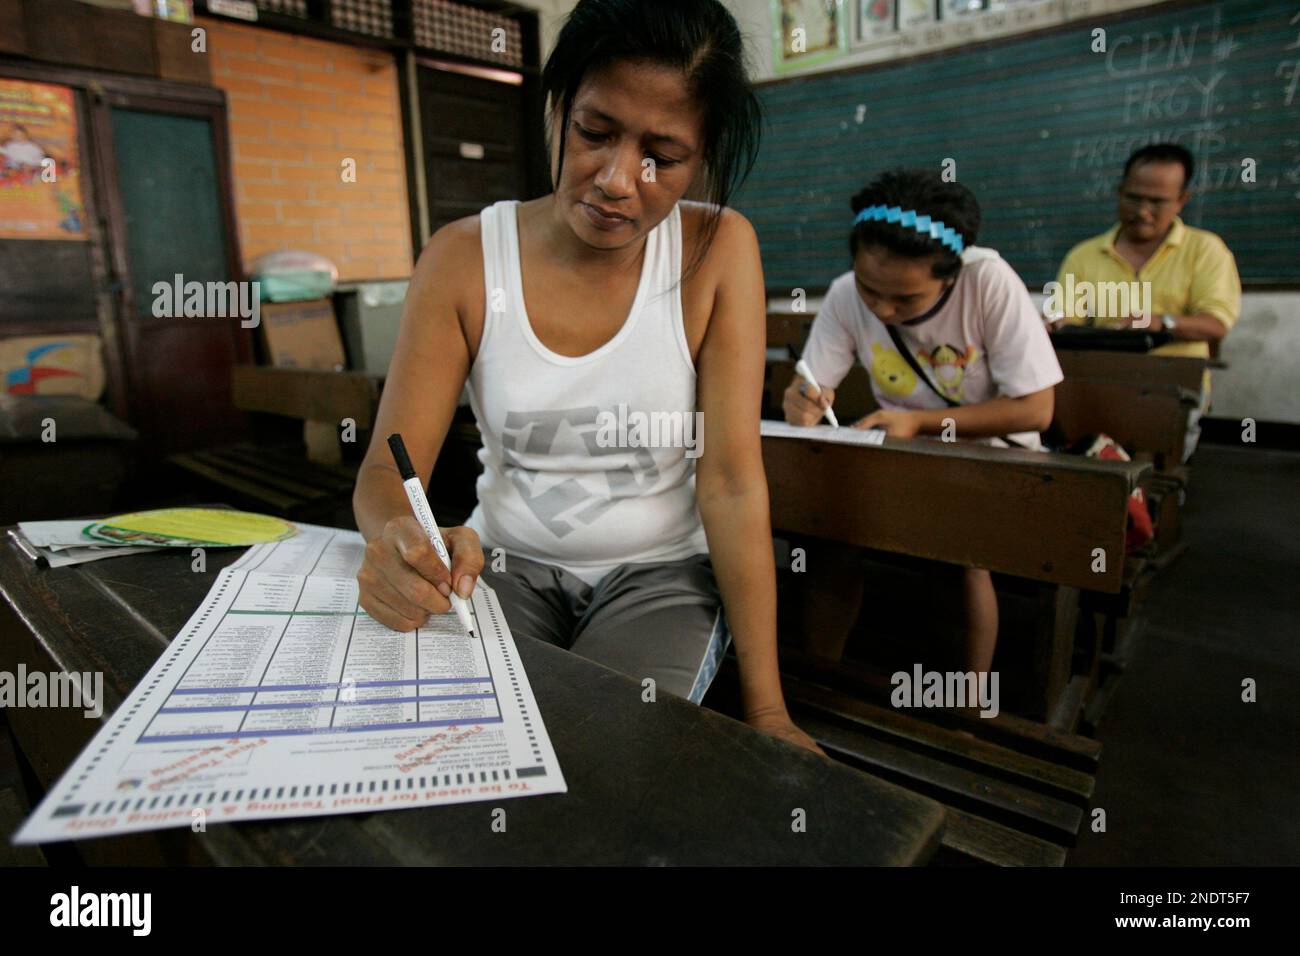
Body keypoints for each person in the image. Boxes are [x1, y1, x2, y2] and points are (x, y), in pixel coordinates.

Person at [353, 0, 822, 755]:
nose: (615, 180)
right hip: (500, 566)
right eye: (594, 133)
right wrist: (396, 537)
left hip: (662, 576)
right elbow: (386, 469)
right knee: (465, 740)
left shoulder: (717, 251)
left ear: (701, 157)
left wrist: (768, 711)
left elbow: (731, 482)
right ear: (555, 109)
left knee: (604, 748)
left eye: (662, 158)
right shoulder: (464, 259)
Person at [783, 168, 1062, 673]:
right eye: (872, 290)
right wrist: (801, 399)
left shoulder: (989, 283)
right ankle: (818, 677)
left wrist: (919, 424)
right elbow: (810, 383)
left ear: (951, 275)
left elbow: (1035, 409)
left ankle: (967, 711)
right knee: (824, 533)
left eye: (906, 298)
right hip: (897, 453)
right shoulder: (846, 294)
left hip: (995, 455)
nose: (884, 309)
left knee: (960, 557)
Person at [1055, 143, 1242, 460]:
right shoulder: (1083, 255)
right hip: (1100, 386)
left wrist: (1161, 322)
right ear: (1119, 192)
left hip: (1174, 388)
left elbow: (1216, 324)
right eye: (1134, 198)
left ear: (1182, 200)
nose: (1142, 211)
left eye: (1157, 202)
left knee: (1149, 467)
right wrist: (1054, 322)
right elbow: (1062, 316)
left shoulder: (1206, 250)